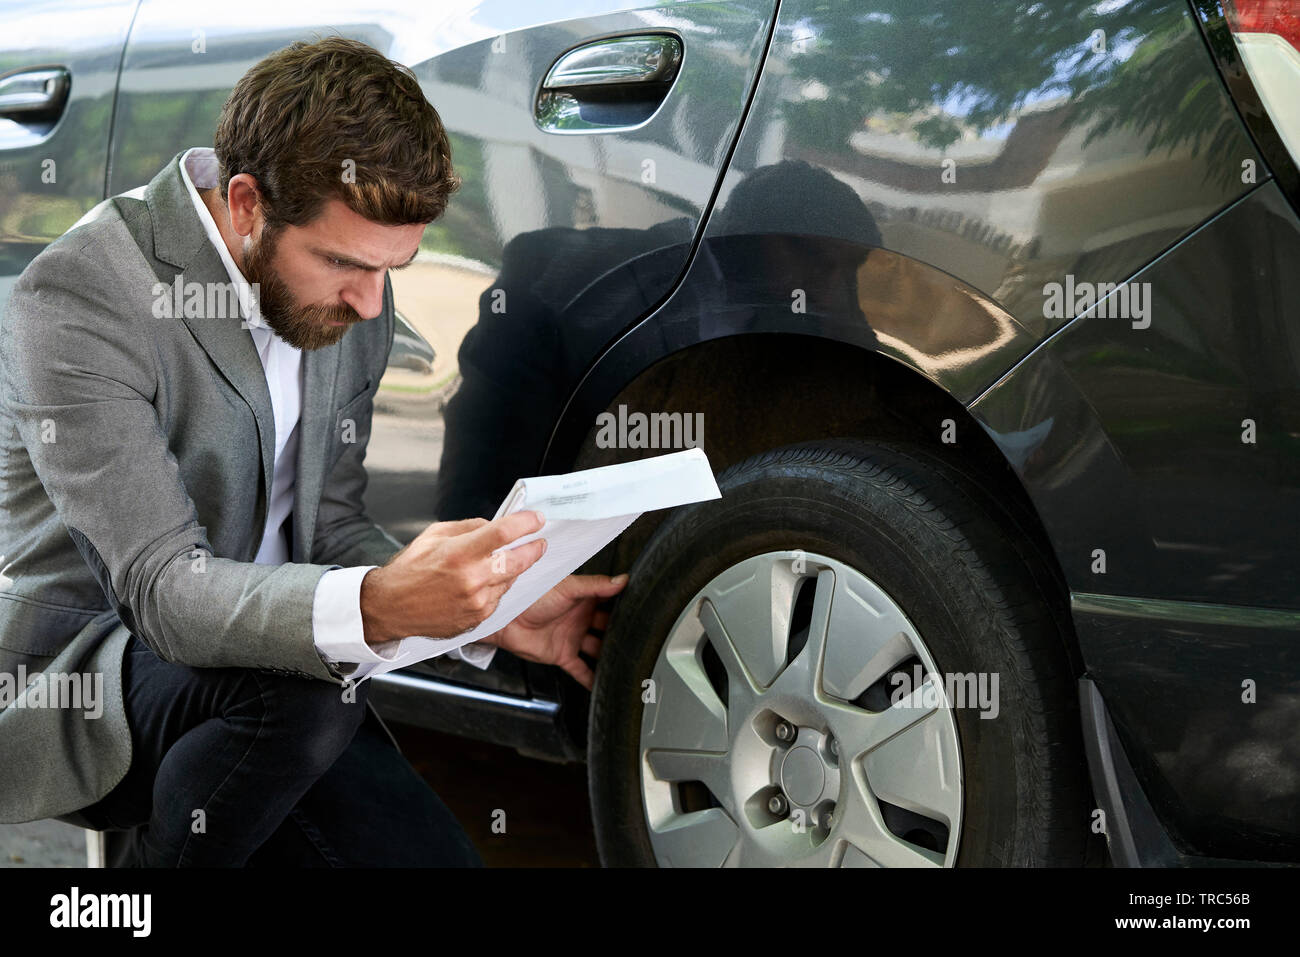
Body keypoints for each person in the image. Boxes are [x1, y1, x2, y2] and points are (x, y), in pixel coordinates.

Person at [0, 35, 625, 866]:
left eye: (390, 268)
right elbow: (162, 592)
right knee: (304, 696)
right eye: (343, 264)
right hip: (90, 684)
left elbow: (328, 532)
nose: (373, 306)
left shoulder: (351, 287)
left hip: (281, 689)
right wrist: (379, 604)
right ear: (248, 202)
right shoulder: (84, 293)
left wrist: (488, 606)